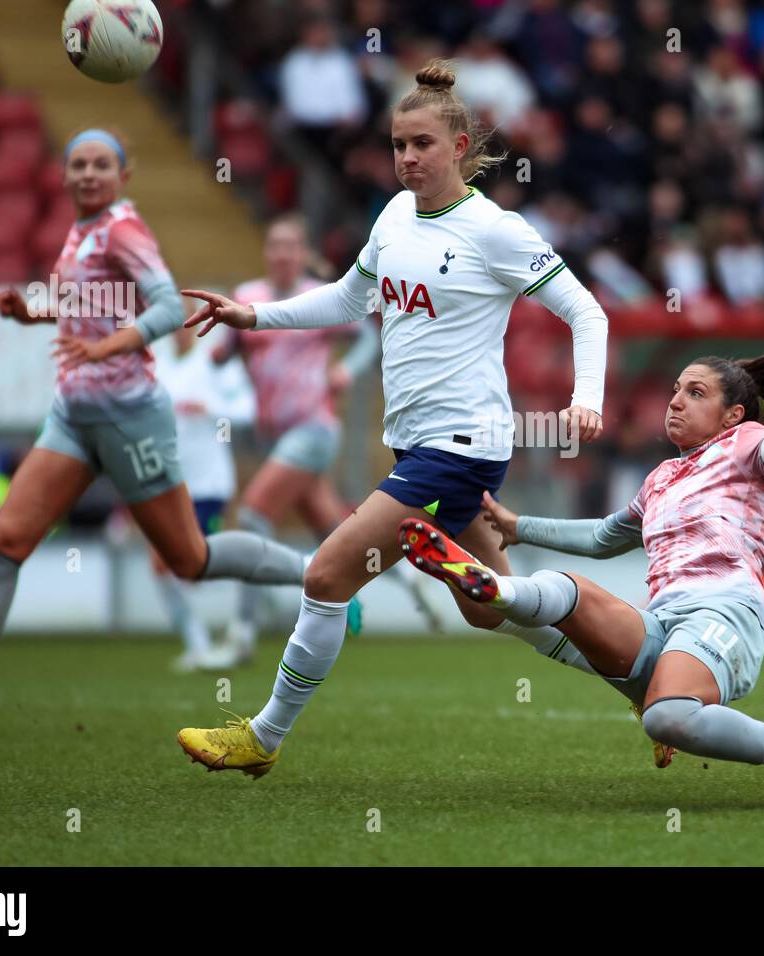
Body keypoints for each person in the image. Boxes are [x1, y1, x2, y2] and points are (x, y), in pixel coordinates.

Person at [176, 59, 609, 777]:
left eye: (422, 145)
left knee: (324, 577)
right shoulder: (396, 215)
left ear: (460, 147)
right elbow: (349, 300)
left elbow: (584, 310)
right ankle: (642, 680)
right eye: (398, 145)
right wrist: (252, 315)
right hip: (423, 449)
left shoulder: (494, 230)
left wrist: (585, 398)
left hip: (459, 450)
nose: (407, 158)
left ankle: (264, 735)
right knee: (490, 606)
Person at [0, 128, 310, 730]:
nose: (87, 174)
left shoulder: (123, 229)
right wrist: (35, 313)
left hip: (129, 416)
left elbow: (165, 306)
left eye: (101, 165)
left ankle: (315, 575)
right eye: (78, 164)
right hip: (73, 417)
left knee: (189, 558)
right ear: (63, 174)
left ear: (123, 175)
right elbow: (93, 305)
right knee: (5, 543)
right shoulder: (83, 233)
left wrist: (110, 347)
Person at [400, 286, 764, 808]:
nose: (677, 400)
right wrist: (519, 527)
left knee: (666, 716)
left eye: (696, 393)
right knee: (568, 597)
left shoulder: (748, 447)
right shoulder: (660, 478)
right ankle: (499, 591)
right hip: (663, 620)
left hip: (725, 614)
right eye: (676, 391)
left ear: (734, 415)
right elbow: (600, 537)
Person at [214, 213, 438, 660]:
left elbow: (365, 338)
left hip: (313, 428)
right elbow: (231, 348)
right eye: (273, 246)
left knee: (254, 516)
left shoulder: (314, 299)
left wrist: (345, 370)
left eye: (288, 247)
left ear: (301, 254)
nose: (280, 254)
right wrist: (224, 350)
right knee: (336, 532)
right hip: (273, 435)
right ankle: (407, 573)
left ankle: (241, 633)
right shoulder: (249, 296)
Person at [150, 321, 256, 672]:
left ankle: (254, 606)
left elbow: (247, 409)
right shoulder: (159, 366)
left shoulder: (215, 362)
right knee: (162, 564)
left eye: (186, 322)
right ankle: (198, 645)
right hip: (168, 483)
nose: (179, 330)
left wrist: (208, 407)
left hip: (208, 484)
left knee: (200, 564)